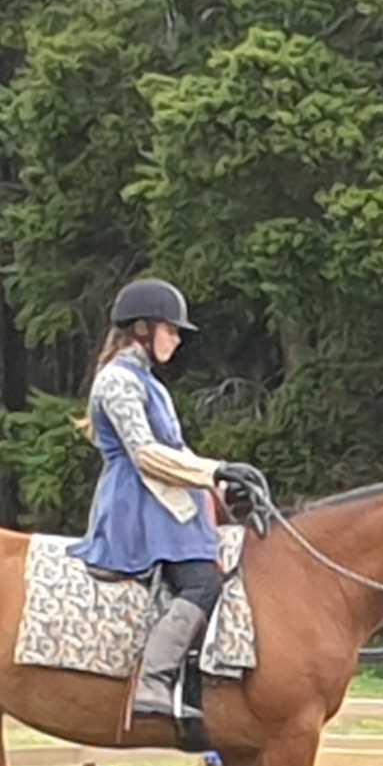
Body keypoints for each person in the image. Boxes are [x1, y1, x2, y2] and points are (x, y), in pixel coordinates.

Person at [70, 277, 270, 722]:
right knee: (202, 581)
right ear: (143, 328)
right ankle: (153, 681)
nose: (177, 339)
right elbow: (145, 454)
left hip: (165, 503)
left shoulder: (149, 383)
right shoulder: (118, 381)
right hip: (137, 507)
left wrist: (224, 483)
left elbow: (176, 452)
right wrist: (214, 470)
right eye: (171, 329)